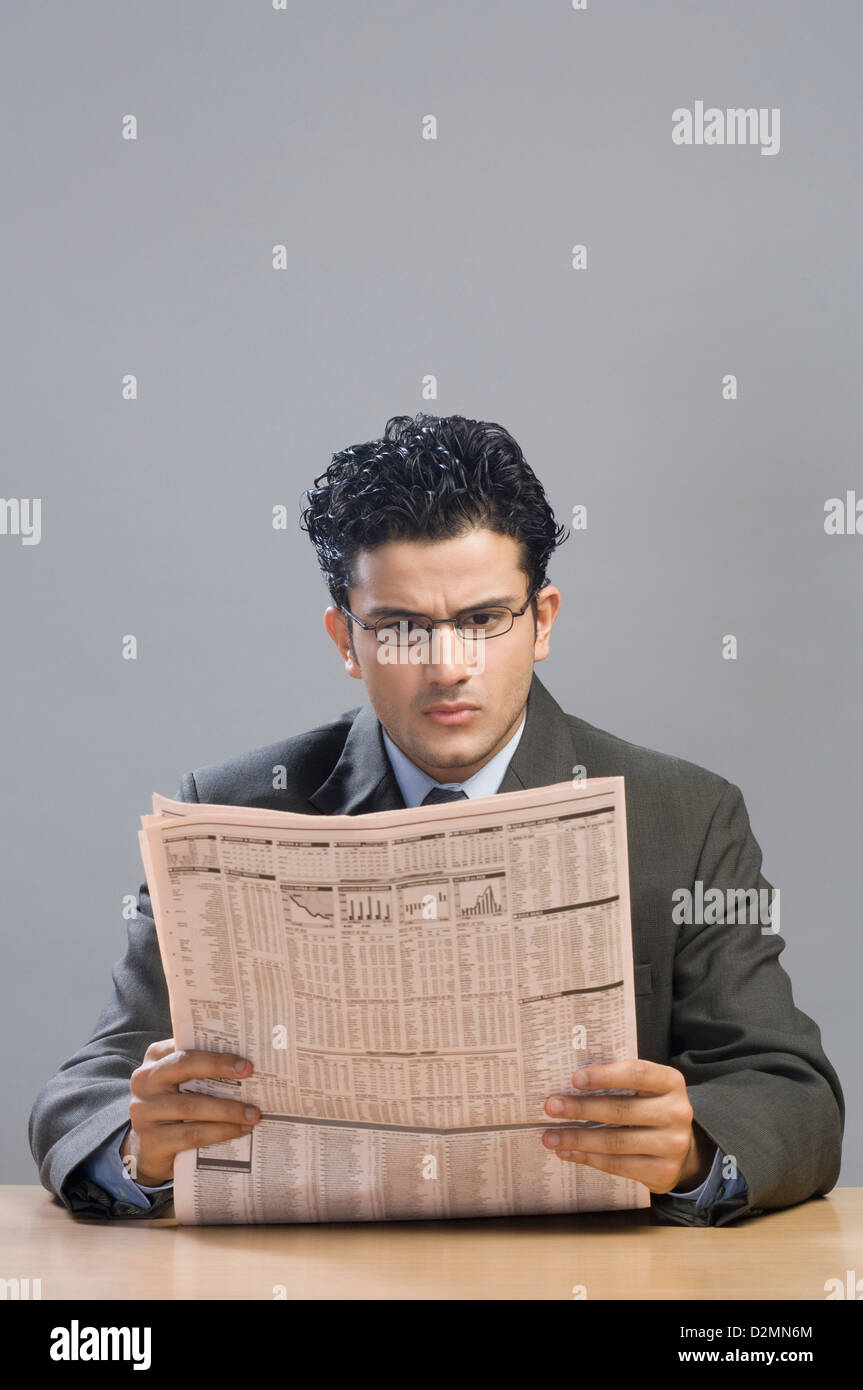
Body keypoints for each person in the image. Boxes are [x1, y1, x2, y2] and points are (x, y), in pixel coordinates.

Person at [29, 412, 844, 1226]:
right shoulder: (227, 809)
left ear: (543, 621)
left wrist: (696, 1150)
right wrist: (140, 1150)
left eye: (483, 620)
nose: (447, 667)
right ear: (345, 640)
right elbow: (84, 1092)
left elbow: (791, 1093)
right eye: (398, 627)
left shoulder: (687, 815)